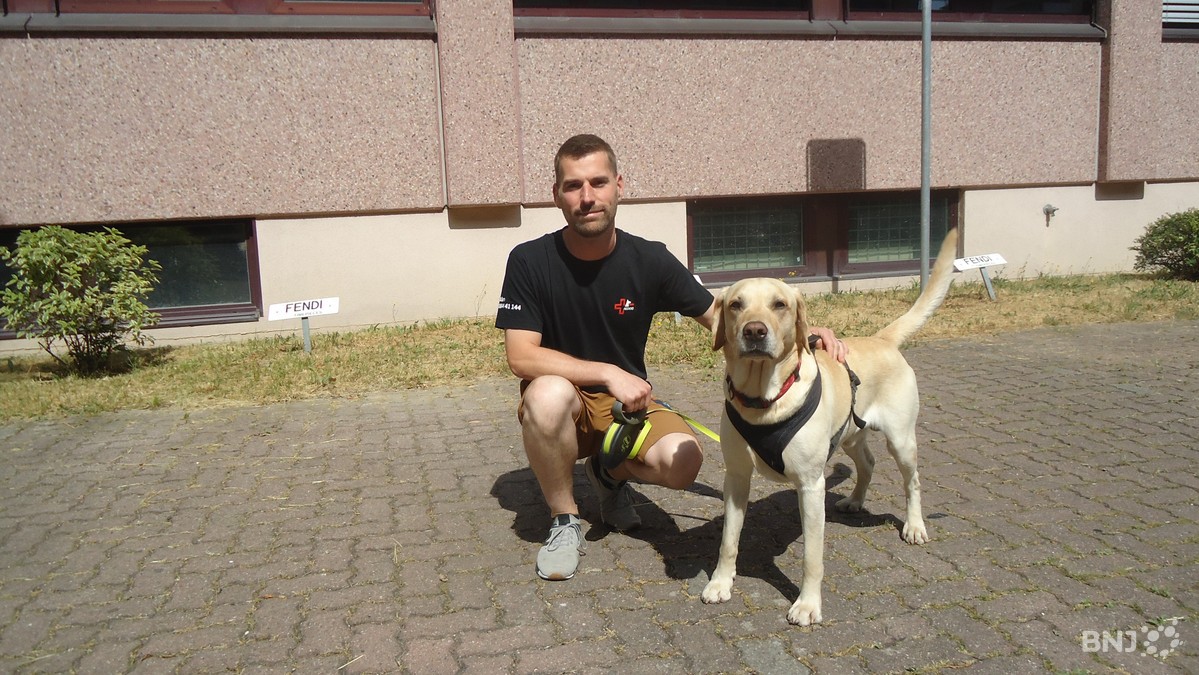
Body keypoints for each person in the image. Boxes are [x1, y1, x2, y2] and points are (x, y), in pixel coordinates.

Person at [495, 134, 846, 581]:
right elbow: (521, 357)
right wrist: (608, 371)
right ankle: (565, 519)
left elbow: (721, 319)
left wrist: (801, 330)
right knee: (546, 396)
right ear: (556, 195)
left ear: (619, 185)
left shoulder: (649, 260)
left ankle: (606, 473)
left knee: (684, 461)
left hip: (627, 406)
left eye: (598, 182)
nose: (587, 197)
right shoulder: (529, 261)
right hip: (563, 401)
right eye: (573, 186)